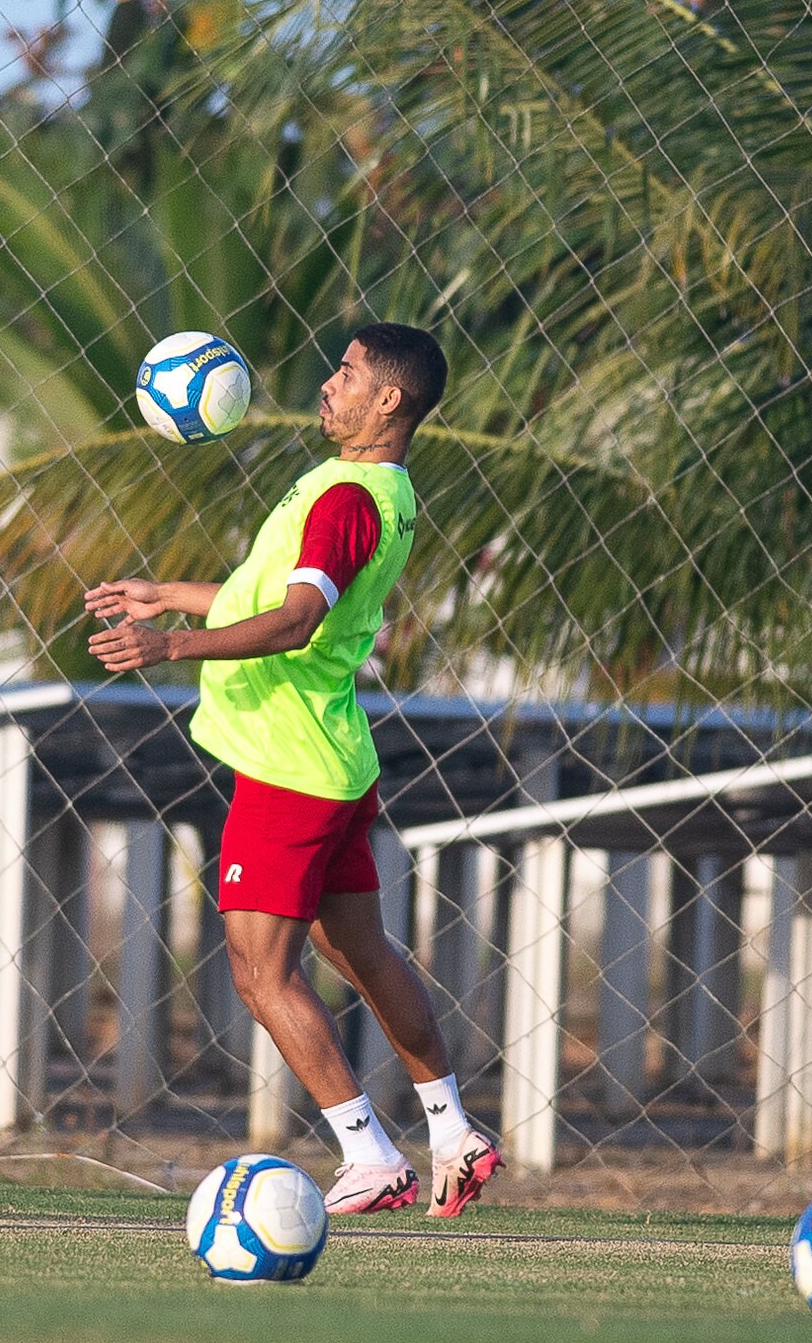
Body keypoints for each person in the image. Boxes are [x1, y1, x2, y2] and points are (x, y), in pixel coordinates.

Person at [85, 323, 501, 1219]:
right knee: (354, 947)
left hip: (286, 764)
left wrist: (170, 645)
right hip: (329, 753)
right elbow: (271, 600)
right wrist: (172, 595)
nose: (328, 383)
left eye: (346, 372)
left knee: (256, 972)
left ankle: (366, 1152)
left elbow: (298, 619)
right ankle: (452, 1132)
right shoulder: (364, 490)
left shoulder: (349, 497)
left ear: (387, 400)